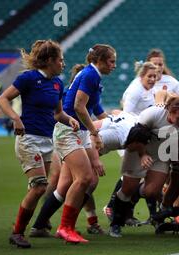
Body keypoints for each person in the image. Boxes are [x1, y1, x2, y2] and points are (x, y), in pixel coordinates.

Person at [0, 39, 79, 248]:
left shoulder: (58, 83)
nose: (63, 64)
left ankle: (35, 227)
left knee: (42, 186)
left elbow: (58, 113)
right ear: (50, 60)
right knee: (39, 187)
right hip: (28, 139)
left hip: (48, 140)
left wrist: (69, 119)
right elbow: (2, 99)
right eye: (61, 60)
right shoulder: (29, 78)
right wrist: (16, 118)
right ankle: (17, 232)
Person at [51, 44, 116, 244]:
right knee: (83, 178)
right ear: (100, 61)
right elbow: (79, 107)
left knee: (87, 179)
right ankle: (63, 227)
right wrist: (95, 133)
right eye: (112, 61)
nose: (114, 65)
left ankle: (66, 226)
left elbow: (93, 109)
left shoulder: (91, 75)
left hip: (77, 131)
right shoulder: (91, 75)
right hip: (69, 130)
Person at [109, 96, 179, 237]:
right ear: (170, 111)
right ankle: (116, 223)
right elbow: (136, 136)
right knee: (127, 189)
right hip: (139, 149)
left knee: (152, 192)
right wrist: (143, 154)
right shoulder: (153, 114)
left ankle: (139, 193)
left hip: (161, 155)